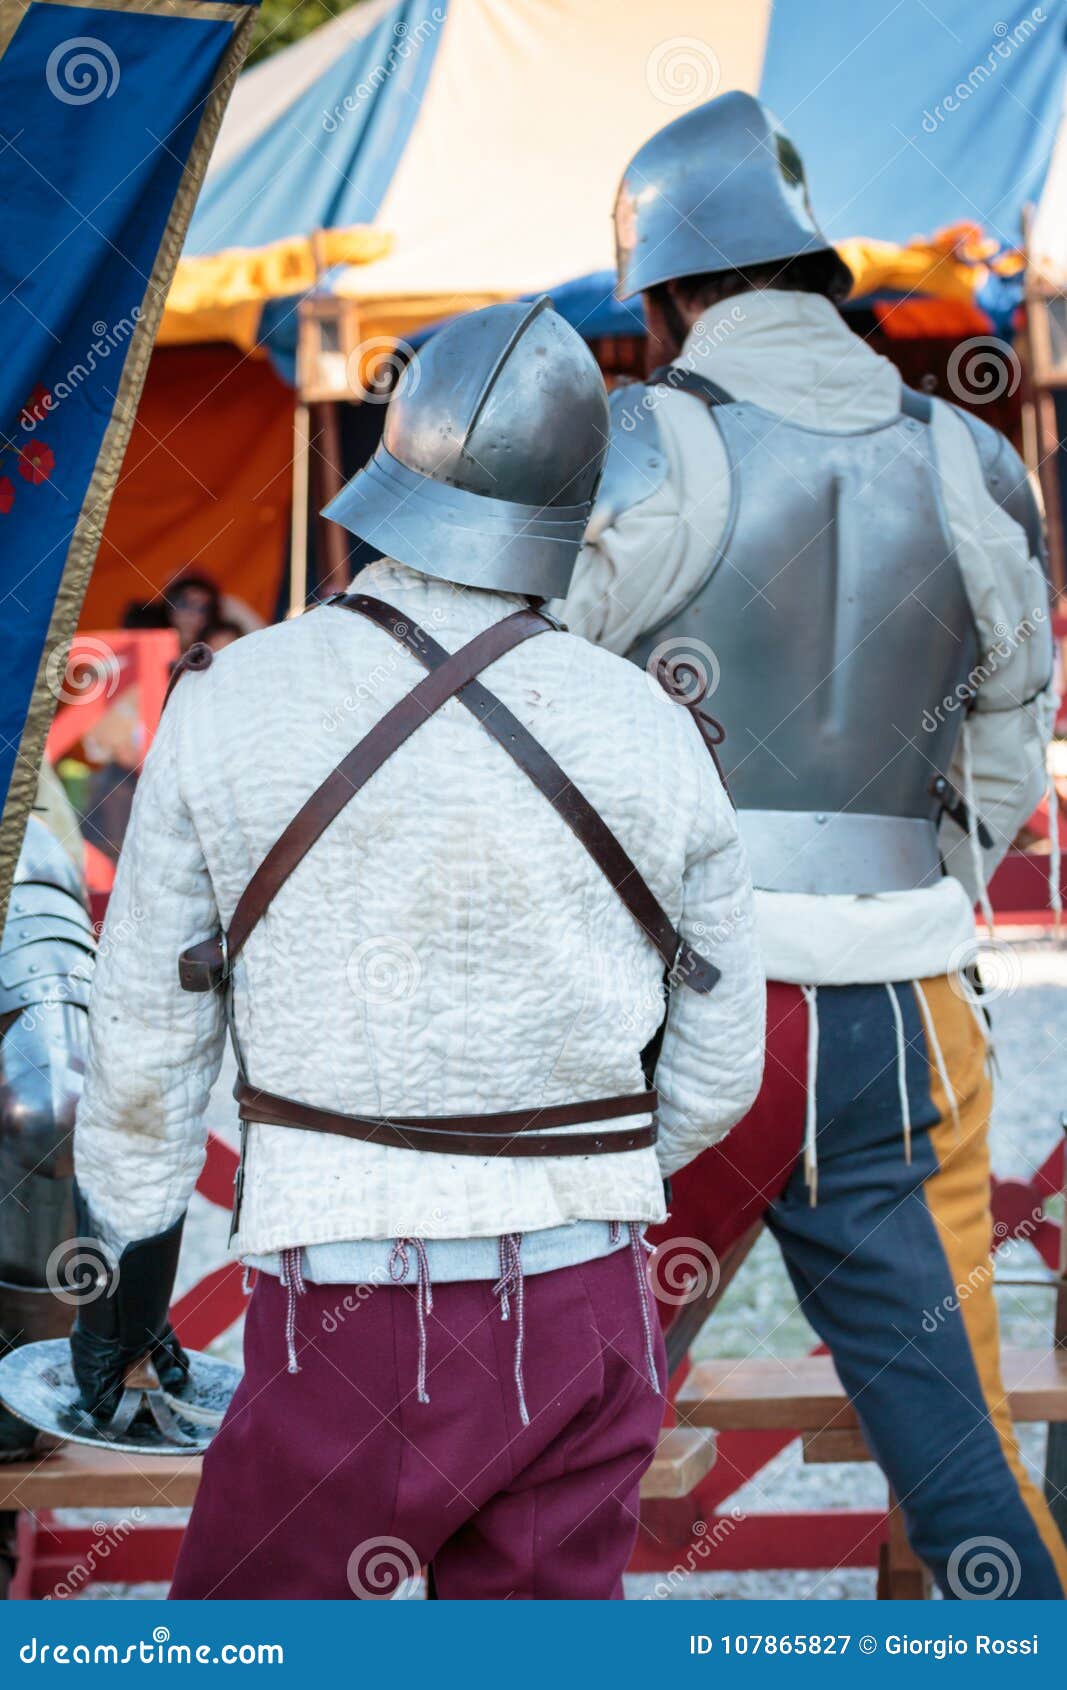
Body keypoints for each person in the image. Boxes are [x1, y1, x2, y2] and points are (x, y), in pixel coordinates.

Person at [69, 300, 764, 1601]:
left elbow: (146, 1056)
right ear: (572, 501)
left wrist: (125, 1280)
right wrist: (569, 1174)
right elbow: (723, 1061)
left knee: (254, 1655)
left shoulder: (229, 704)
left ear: (394, 463)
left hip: (348, 1308)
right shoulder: (652, 726)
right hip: (589, 1302)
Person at [561, 91, 1067, 1598]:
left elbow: (533, 713)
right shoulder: (970, 454)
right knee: (960, 1449)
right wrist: (924, 897)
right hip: (905, 1010)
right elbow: (1005, 739)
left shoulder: (641, 440)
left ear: (668, 291)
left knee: (557, 1424)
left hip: (676, 1013)